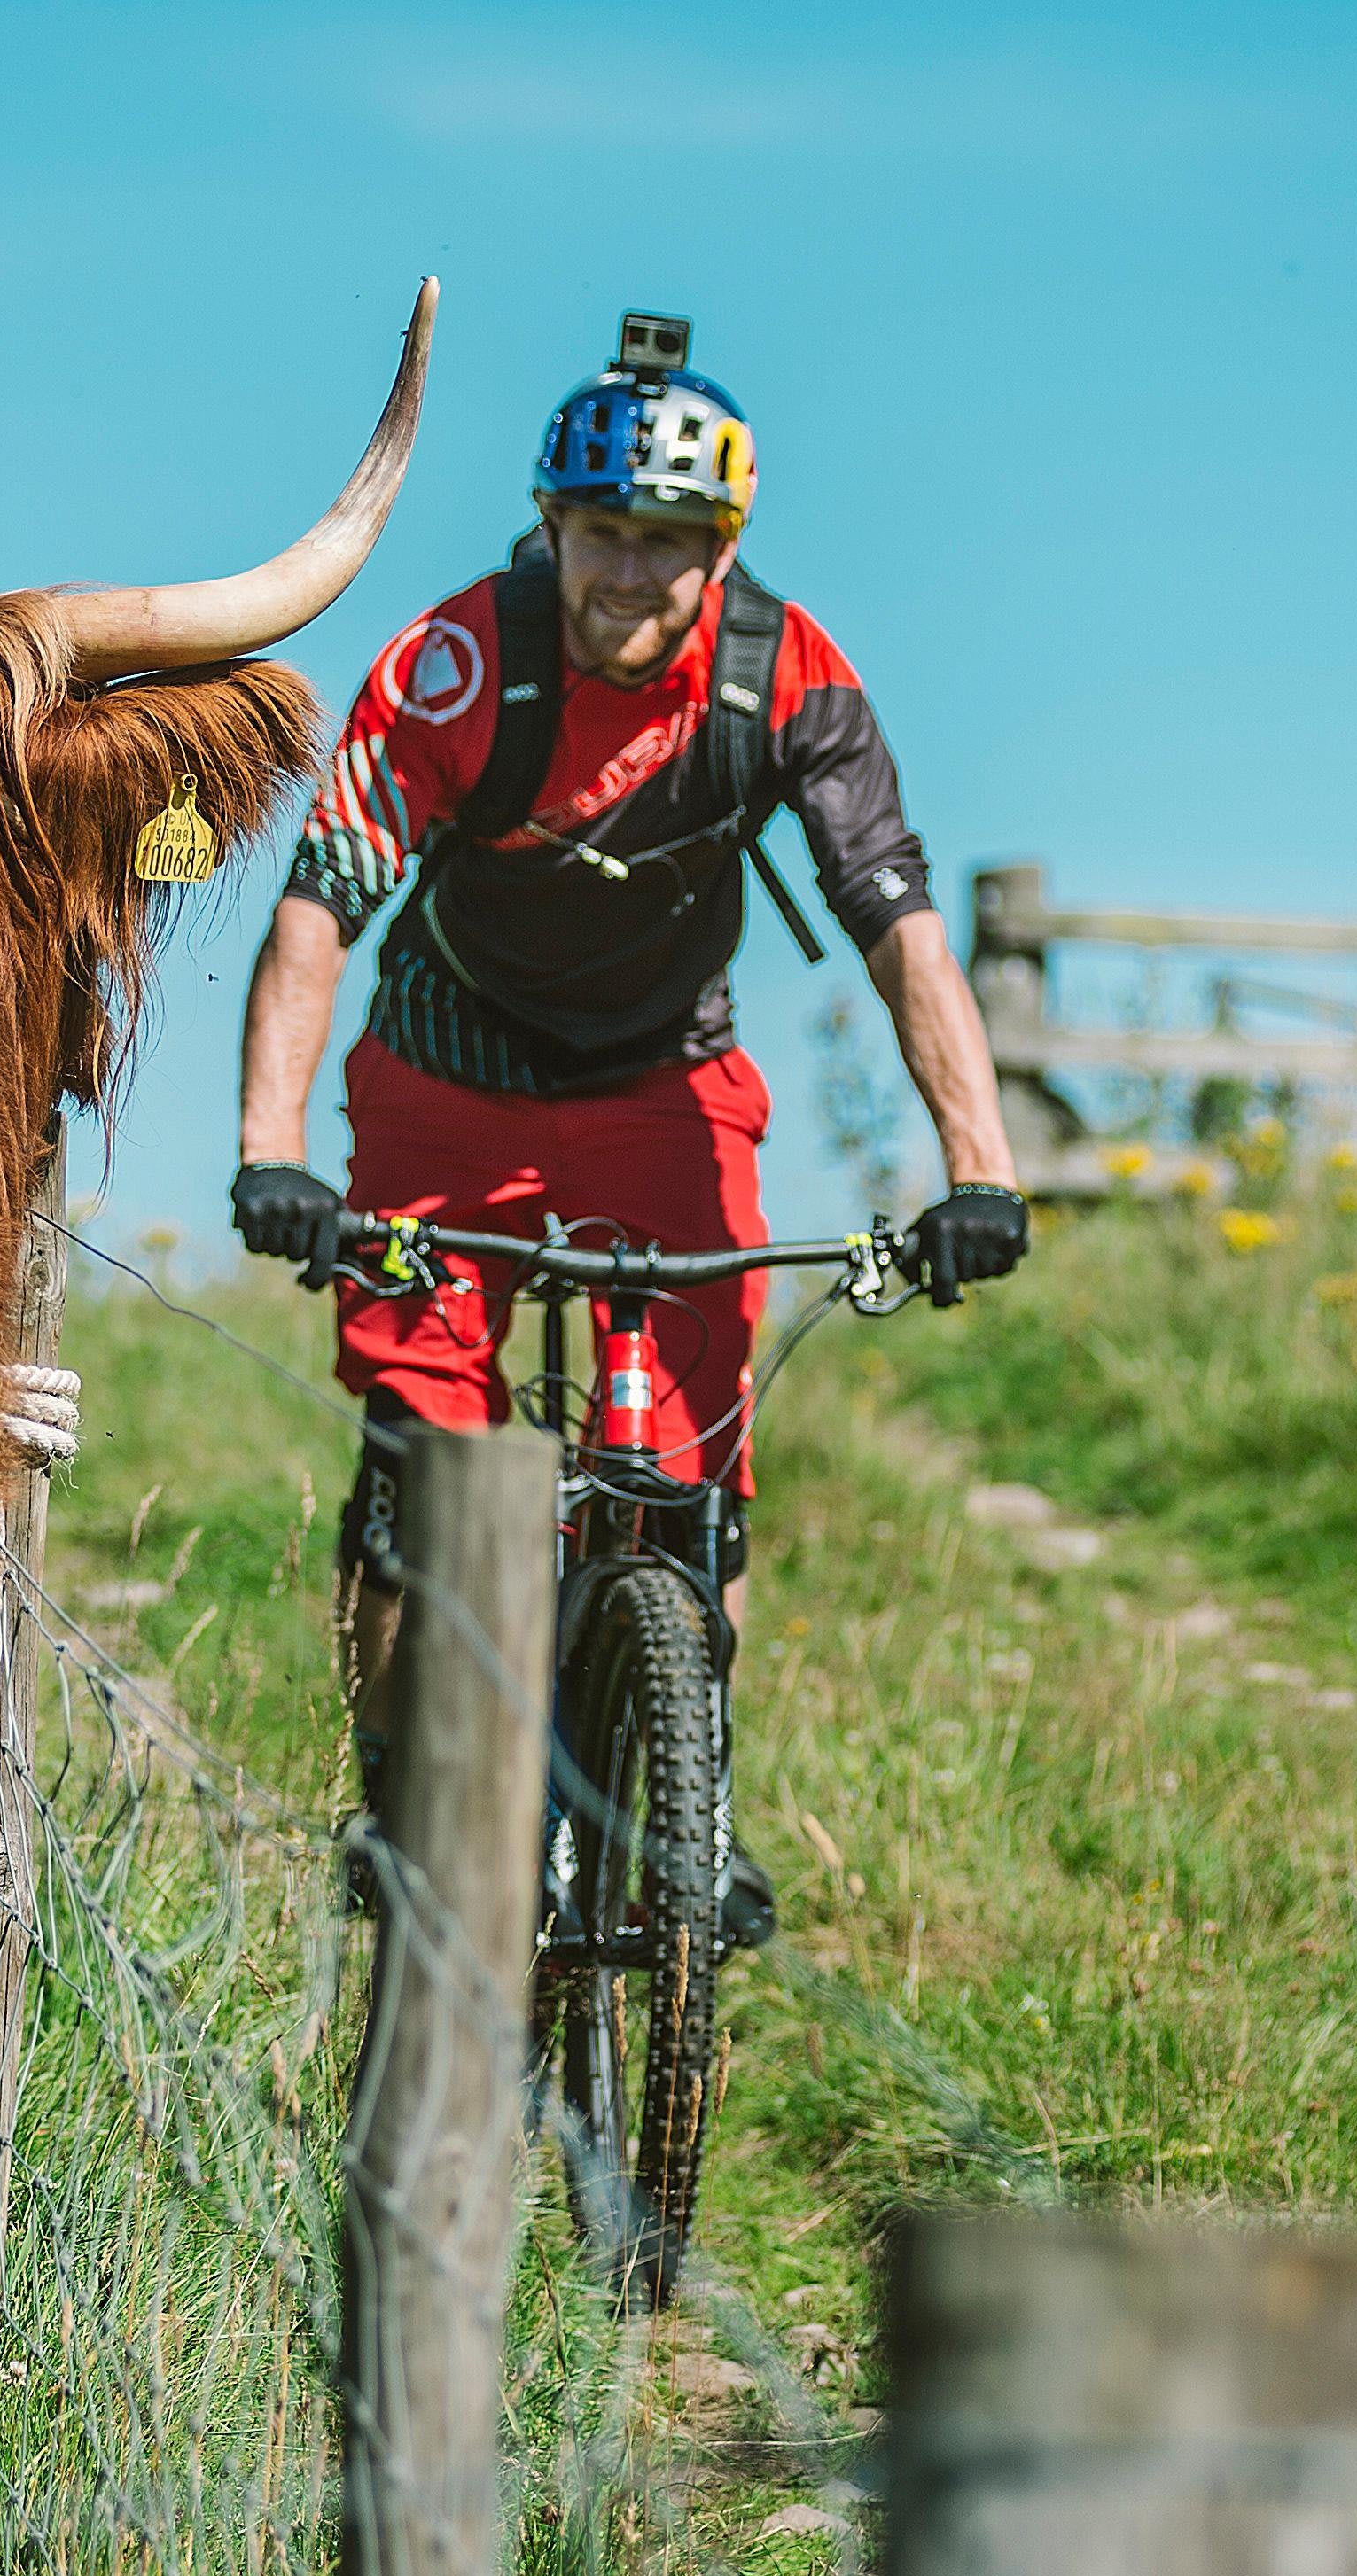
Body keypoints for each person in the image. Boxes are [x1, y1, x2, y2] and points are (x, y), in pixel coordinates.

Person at [227, 311, 1027, 1868]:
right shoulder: (462, 664)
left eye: (669, 543)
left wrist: (979, 1172)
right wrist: (273, 1153)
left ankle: (688, 1798)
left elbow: (901, 927)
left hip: (666, 1085)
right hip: (445, 1088)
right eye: (602, 533)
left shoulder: (787, 679)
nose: (628, 575)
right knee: (419, 1469)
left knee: (692, 1469)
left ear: (720, 549)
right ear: (552, 525)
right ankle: (398, 1812)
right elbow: (320, 905)